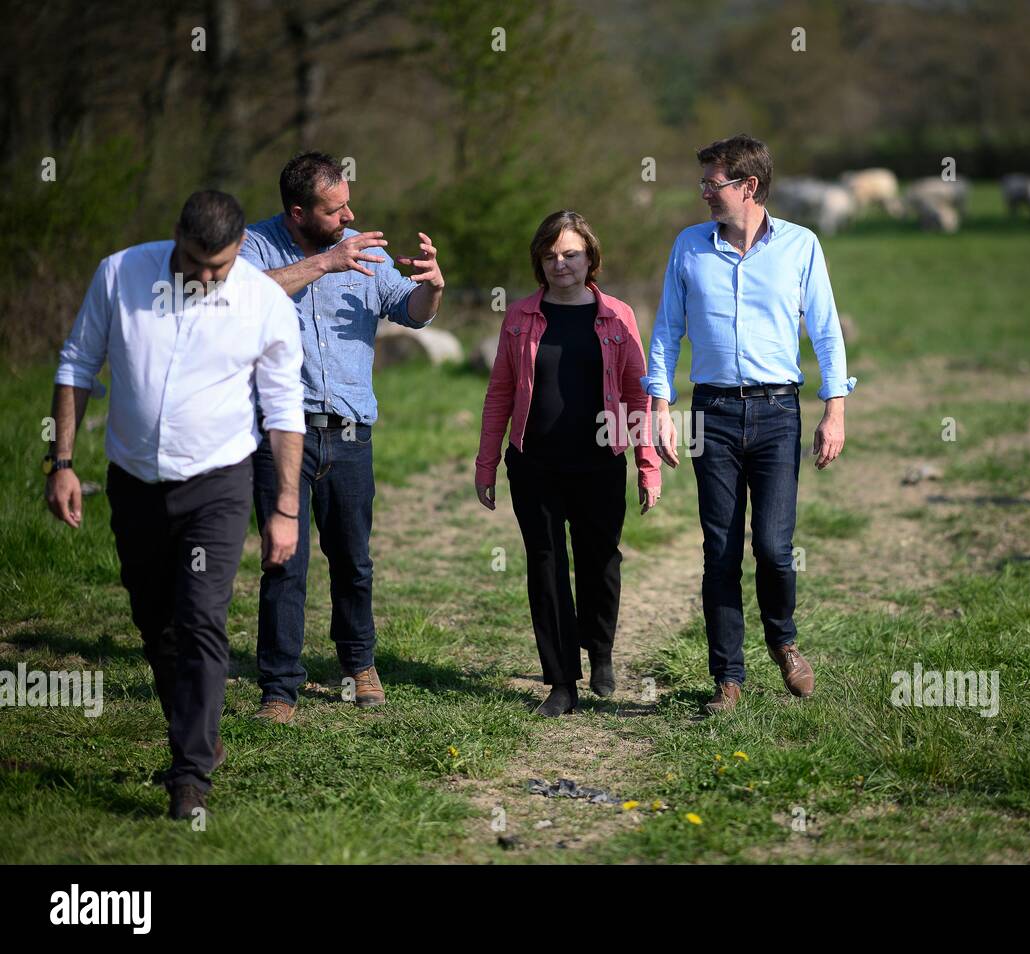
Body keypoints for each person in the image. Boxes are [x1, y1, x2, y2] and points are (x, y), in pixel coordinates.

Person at [45, 190, 305, 819]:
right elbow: (78, 364)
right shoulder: (121, 273)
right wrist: (62, 463)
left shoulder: (264, 303)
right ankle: (199, 731)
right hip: (133, 482)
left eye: (220, 265)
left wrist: (287, 507)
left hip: (217, 483)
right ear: (176, 239)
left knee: (199, 621)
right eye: (195, 262)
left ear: (241, 248)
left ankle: (189, 777)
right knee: (155, 623)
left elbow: (283, 408)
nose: (208, 277)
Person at [643, 134, 855, 714]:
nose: (705, 193)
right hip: (710, 412)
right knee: (719, 549)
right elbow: (665, 332)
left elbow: (827, 333)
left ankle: (783, 641)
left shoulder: (801, 246)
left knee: (774, 547)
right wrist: (660, 410)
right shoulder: (689, 246)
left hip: (778, 412)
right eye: (705, 183)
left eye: (714, 183)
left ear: (749, 186)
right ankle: (727, 679)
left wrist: (834, 411)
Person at [239, 152, 445, 722]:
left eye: (348, 202)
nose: (350, 215)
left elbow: (412, 312)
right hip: (282, 435)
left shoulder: (365, 249)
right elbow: (239, 300)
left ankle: (359, 665)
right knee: (285, 562)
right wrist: (327, 263)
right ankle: (279, 688)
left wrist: (431, 287)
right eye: (336, 210)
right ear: (299, 212)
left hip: (351, 433)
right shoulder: (255, 247)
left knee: (353, 560)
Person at [475, 211, 661, 716]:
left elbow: (635, 393)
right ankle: (561, 681)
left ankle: (599, 650)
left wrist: (647, 463)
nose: (561, 264)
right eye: (551, 255)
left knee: (600, 561)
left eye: (571, 254)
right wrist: (486, 462)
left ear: (589, 257)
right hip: (534, 464)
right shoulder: (519, 317)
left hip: (602, 461)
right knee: (546, 565)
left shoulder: (618, 315)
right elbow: (500, 391)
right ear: (539, 260)